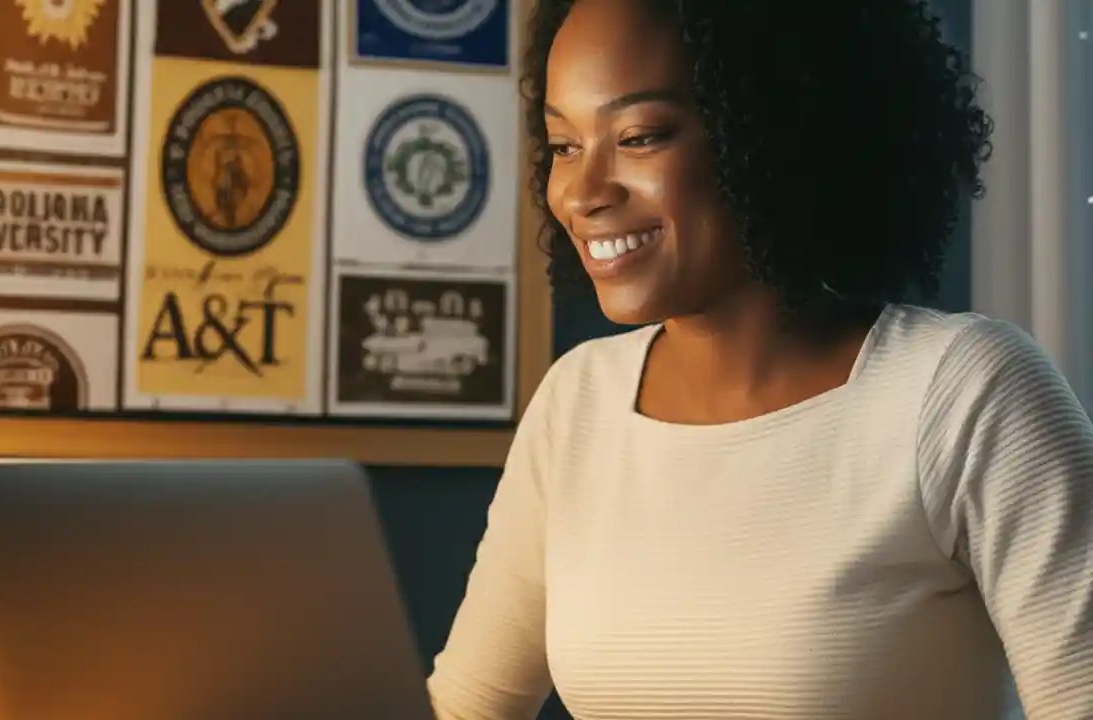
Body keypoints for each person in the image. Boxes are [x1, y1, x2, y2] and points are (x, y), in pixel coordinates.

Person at [425, 1, 1093, 718]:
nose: (583, 193)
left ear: (774, 130)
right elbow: (465, 709)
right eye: (563, 146)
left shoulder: (966, 393)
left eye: (640, 137)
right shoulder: (578, 401)